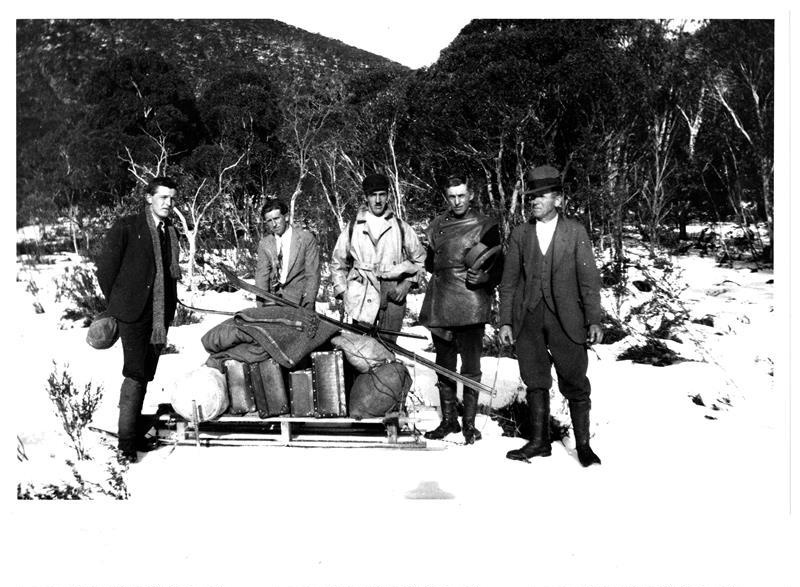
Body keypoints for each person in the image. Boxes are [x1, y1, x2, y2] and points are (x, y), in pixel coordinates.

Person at [498, 164, 604, 467]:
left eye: (541, 196)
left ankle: (583, 446)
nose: (534, 201)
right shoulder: (521, 234)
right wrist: (506, 320)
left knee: (574, 381)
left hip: (567, 320)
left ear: (558, 199)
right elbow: (509, 283)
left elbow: (589, 280)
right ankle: (539, 441)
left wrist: (593, 319)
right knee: (535, 380)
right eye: (531, 196)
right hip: (528, 319)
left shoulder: (575, 232)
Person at [96, 176, 181, 463]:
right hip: (132, 314)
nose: (168, 203)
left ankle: (131, 433)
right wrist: (120, 303)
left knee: (145, 373)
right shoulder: (127, 226)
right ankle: (126, 448)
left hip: (158, 317)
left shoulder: (170, 231)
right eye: (163, 198)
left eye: (171, 198)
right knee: (134, 373)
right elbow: (105, 270)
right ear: (148, 198)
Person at [419, 174, 502, 444]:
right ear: (447, 197)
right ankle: (448, 421)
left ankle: (469, 425)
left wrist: (487, 278)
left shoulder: (485, 226)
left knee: (470, 367)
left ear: (471, 195)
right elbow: (431, 265)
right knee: (444, 365)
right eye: (452, 196)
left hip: (471, 305)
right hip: (442, 303)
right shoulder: (436, 227)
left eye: (461, 195)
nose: (457, 201)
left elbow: (499, 264)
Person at [330, 173, 425, 343]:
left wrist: (407, 283)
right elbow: (338, 262)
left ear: (388, 196)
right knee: (361, 350)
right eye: (373, 195)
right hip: (362, 290)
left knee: (388, 348)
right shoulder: (354, 227)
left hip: (393, 292)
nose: (378, 200)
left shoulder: (400, 226)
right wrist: (344, 292)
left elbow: (420, 260)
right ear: (366, 197)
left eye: (382, 194)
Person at [255, 198, 321, 309]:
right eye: (269, 221)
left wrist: (309, 302)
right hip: (273, 302)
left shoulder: (305, 238)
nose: (274, 224)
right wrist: (261, 305)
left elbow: (313, 274)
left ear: (285, 217)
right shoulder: (265, 243)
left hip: (299, 302)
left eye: (276, 218)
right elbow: (262, 275)